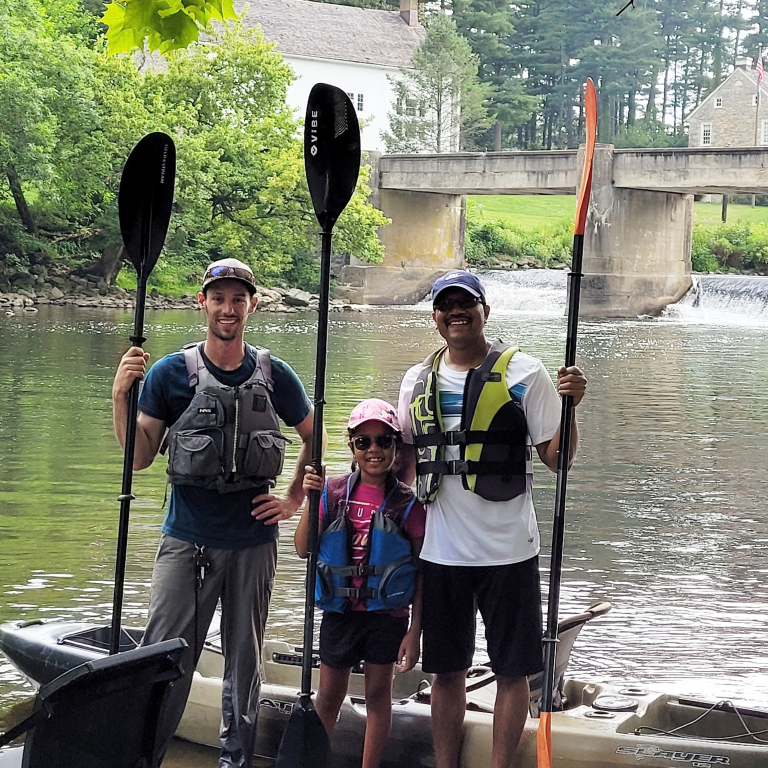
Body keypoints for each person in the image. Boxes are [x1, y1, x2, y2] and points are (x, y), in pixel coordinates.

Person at [111, 258, 317, 768]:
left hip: (253, 543)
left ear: (252, 304)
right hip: (186, 540)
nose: (229, 308)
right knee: (163, 657)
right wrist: (119, 395)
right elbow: (137, 458)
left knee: (244, 664)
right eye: (219, 298)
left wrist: (293, 498)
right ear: (202, 302)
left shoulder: (274, 374)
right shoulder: (169, 374)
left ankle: (236, 761)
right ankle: (144, 757)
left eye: (238, 298)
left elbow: (315, 434)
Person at [396, 270, 587, 768]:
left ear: (485, 311)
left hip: (509, 551)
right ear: (435, 316)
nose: (456, 313)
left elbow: (557, 458)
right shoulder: (417, 380)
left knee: (512, 672)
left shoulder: (526, 373)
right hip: (442, 552)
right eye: (446, 305)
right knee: (445, 672)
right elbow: (405, 461)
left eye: (466, 304)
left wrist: (572, 409)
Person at [295, 398, 425, 768]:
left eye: (384, 441)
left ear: (396, 448)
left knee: (377, 696)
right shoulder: (332, 494)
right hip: (341, 613)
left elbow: (420, 575)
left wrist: (414, 631)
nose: (374, 450)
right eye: (364, 442)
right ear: (351, 446)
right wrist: (309, 499)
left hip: (387, 617)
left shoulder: (408, 506)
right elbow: (303, 548)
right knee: (328, 697)